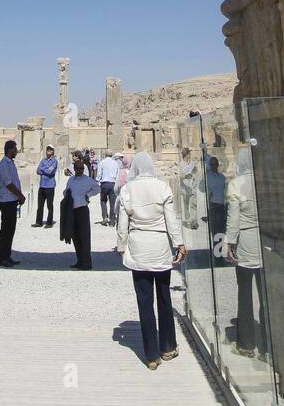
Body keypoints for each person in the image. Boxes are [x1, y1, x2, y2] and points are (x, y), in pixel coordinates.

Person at [116, 152, 186, 369]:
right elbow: (171, 219)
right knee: (164, 298)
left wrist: (121, 247)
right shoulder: (162, 187)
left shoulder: (128, 189)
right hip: (159, 248)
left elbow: (122, 224)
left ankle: (151, 356)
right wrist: (179, 243)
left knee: (145, 302)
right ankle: (168, 347)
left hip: (139, 249)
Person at [225, 146, 263, 357]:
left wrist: (229, 242)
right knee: (265, 295)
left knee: (246, 294)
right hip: (265, 241)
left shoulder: (236, 185)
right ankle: (267, 345)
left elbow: (234, 218)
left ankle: (247, 344)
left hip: (246, 242)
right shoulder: (263, 182)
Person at [64, 156, 100, 270]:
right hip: (72, 210)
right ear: (74, 169)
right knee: (75, 236)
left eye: (80, 168)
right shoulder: (71, 180)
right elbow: (67, 190)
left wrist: (88, 195)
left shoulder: (88, 180)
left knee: (84, 237)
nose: (79, 170)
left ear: (83, 169)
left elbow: (97, 188)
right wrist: (66, 194)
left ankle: (87, 262)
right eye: (77, 168)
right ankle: (79, 260)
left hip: (82, 210)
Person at [0, 139, 26, 266]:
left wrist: (18, 196)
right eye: (15, 149)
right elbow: (8, 184)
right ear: (9, 149)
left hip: (12, 200)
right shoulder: (3, 165)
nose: (16, 151)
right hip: (6, 201)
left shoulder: (11, 163)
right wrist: (20, 195)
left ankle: (7, 255)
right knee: (5, 230)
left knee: (11, 230)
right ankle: (1, 257)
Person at [33, 145, 59, 227]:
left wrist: (43, 169)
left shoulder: (54, 161)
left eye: (50, 149)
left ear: (53, 151)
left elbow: (50, 172)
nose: (48, 151)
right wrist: (46, 168)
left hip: (50, 186)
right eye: (47, 149)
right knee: (40, 205)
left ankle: (49, 222)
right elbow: (38, 171)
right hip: (42, 185)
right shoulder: (43, 160)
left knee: (49, 205)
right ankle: (39, 222)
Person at [95, 150, 121, 226]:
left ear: (105, 155)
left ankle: (105, 216)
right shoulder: (115, 163)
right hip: (113, 183)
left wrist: (97, 180)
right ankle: (112, 221)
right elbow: (118, 174)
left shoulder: (102, 162)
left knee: (103, 200)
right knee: (112, 203)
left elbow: (99, 174)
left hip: (104, 184)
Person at [205, 156, 227, 240]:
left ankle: (220, 248)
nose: (213, 166)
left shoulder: (222, 177)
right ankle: (216, 249)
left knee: (221, 229)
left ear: (217, 165)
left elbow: (224, 190)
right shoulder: (208, 176)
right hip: (213, 204)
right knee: (214, 230)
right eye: (212, 164)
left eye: (215, 164)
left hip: (221, 205)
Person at [178, 147, 199, 229]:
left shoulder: (192, 163)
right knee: (186, 206)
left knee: (194, 205)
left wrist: (195, 170)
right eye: (189, 153)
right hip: (185, 189)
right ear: (186, 155)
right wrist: (186, 176)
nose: (190, 155)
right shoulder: (180, 164)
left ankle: (194, 222)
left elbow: (195, 171)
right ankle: (188, 221)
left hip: (192, 187)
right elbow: (180, 175)